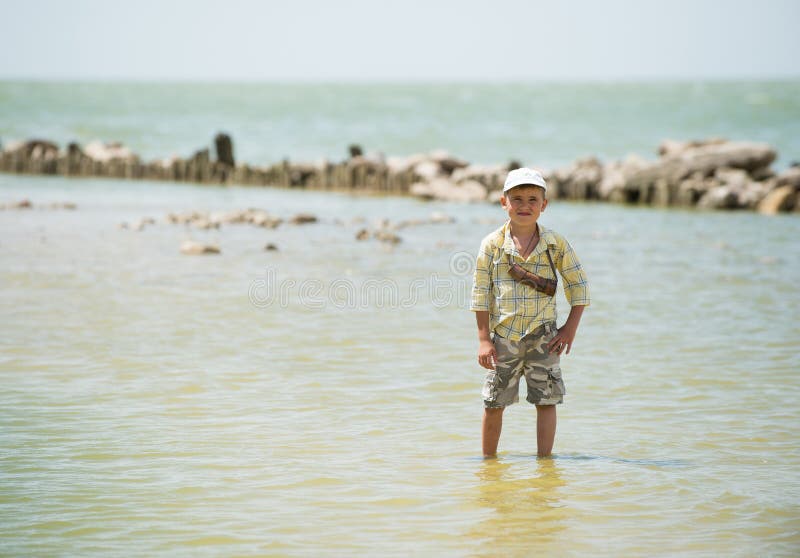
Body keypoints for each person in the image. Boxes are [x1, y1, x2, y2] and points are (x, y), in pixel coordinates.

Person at [470, 167, 590, 458]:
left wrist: (569, 329)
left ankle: (545, 464)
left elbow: (579, 286)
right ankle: (489, 465)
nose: (525, 206)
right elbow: (480, 294)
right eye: (517, 199)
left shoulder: (555, 244)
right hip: (503, 339)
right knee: (493, 403)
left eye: (533, 200)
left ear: (544, 205)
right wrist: (484, 340)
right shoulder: (492, 245)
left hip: (544, 338)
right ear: (504, 203)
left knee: (546, 402)